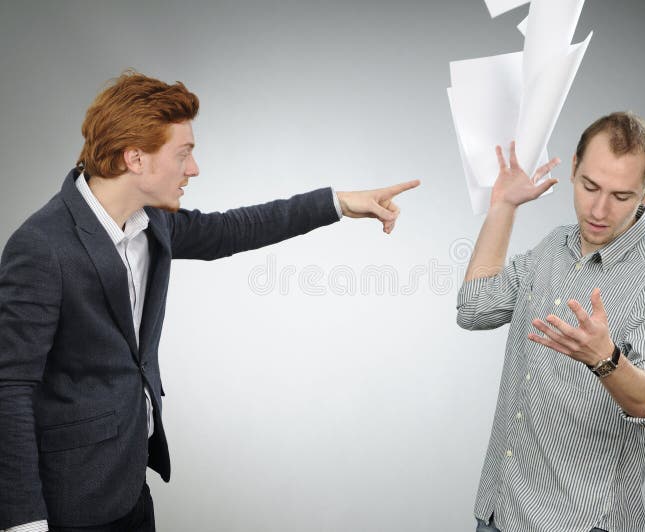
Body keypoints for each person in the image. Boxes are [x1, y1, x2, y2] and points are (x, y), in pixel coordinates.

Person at [0, 71, 419, 532]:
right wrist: (24, 522)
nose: (193, 169)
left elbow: (233, 229)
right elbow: (9, 387)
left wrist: (337, 203)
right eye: (183, 154)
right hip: (67, 504)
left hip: (127, 484)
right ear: (135, 158)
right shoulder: (42, 247)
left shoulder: (152, 221)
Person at [458, 111, 645, 532]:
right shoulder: (554, 247)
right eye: (589, 186)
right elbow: (474, 309)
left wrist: (605, 359)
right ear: (573, 170)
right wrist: (504, 206)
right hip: (500, 510)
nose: (599, 209)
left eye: (621, 196)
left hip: (579, 523)